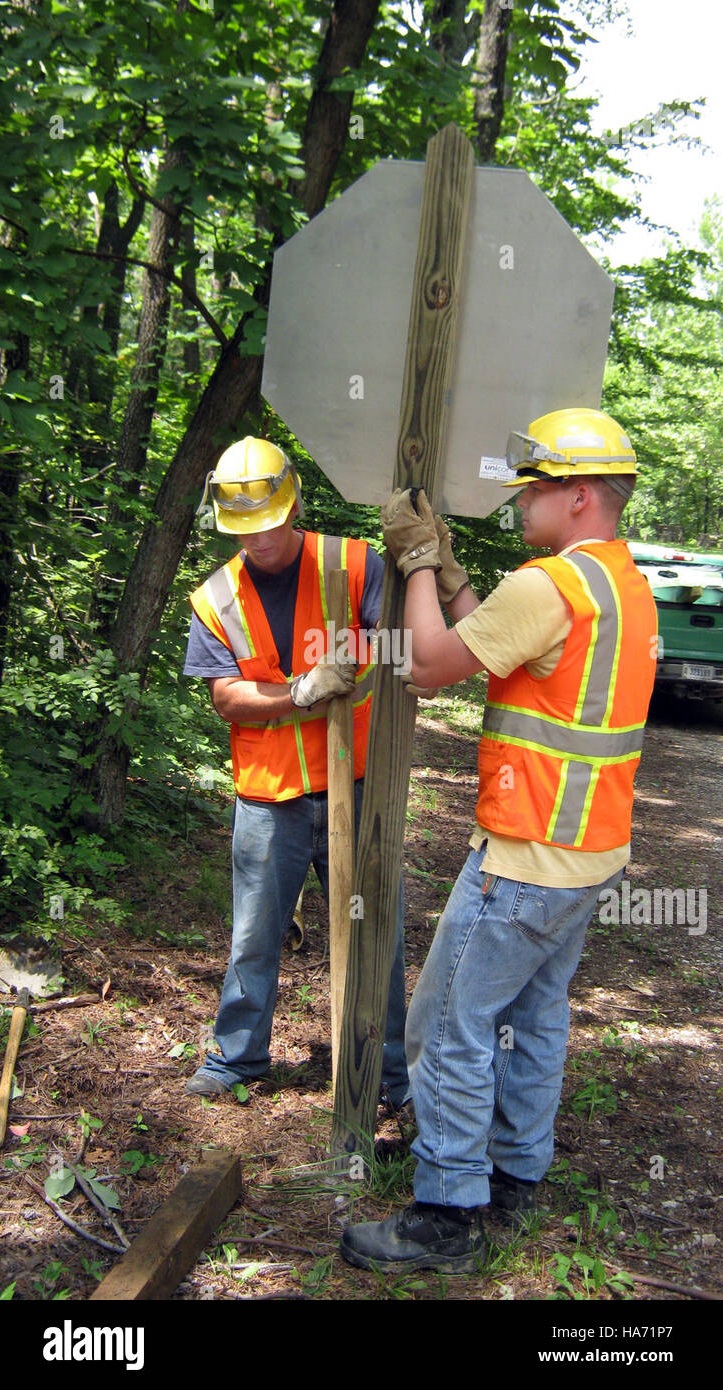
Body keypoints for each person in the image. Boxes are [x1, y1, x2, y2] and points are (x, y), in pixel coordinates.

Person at [340, 407, 658, 1273]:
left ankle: (446, 1213)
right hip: (588, 855)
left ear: (579, 496)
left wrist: (410, 561)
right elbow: (507, 646)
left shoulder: (549, 585)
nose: (521, 504)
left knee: (447, 1024)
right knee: (534, 1016)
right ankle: (515, 1172)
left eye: (535, 489)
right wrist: (447, 575)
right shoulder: (619, 585)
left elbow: (427, 665)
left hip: (525, 856)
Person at [183, 435, 410, 1107]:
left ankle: (389, 1074)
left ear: (293, 505)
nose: (258, 539)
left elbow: (404, 647)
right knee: (254, 936)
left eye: (269, 522)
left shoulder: (353, 563)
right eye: (243, 529)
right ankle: (235, 1060)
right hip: (269, 797)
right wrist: (305, 691)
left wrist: (369, 659)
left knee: (379, 938)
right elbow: (228, 699)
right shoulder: (216, 596)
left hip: (358, 783)